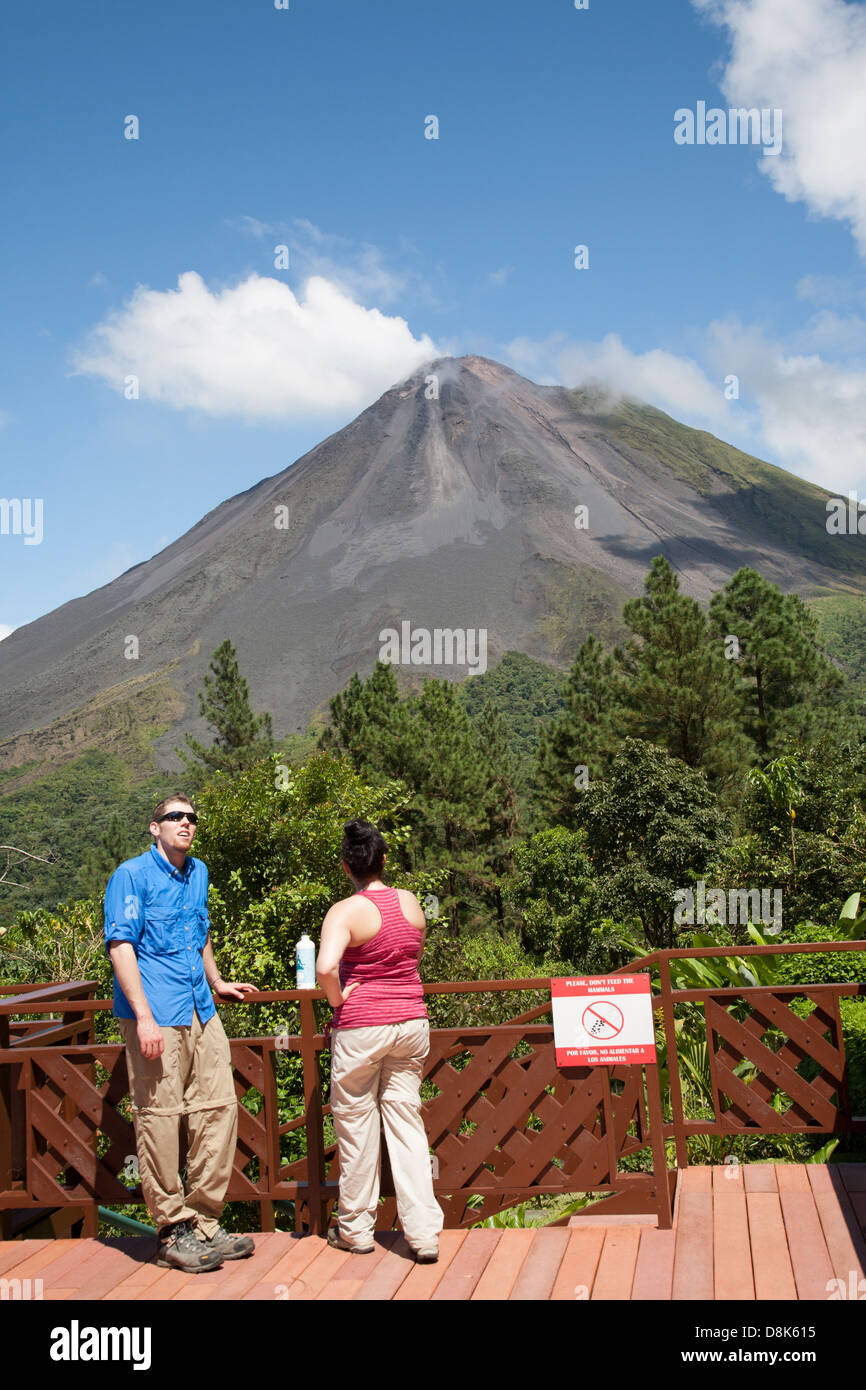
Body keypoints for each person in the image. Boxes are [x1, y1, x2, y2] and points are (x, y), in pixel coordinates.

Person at [104, 793, 257, 1273]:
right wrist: (144, 1017)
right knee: (160, 1116)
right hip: (157, 1014)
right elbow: (121, 945)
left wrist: (216, 981)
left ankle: (206, 1222)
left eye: (191, 818)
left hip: (200, 1008)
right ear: (155, 828)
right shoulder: (131, 875)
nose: (185, 824)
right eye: (175, 818)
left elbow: (200, 931)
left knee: (219, 1109)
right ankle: (172, 1230)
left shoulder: (199, 872)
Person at [316, 819, 444, 1261]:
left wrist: (338, 999)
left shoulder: (344, 911)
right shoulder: (410, 903)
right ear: (384, 859)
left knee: (356, 1127)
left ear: (345, 866)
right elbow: (414, 953)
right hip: (410, 1021)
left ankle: (356, 1230)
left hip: (362, 1027)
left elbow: (326, 968)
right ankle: (424, 1234)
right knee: (407, 1123)